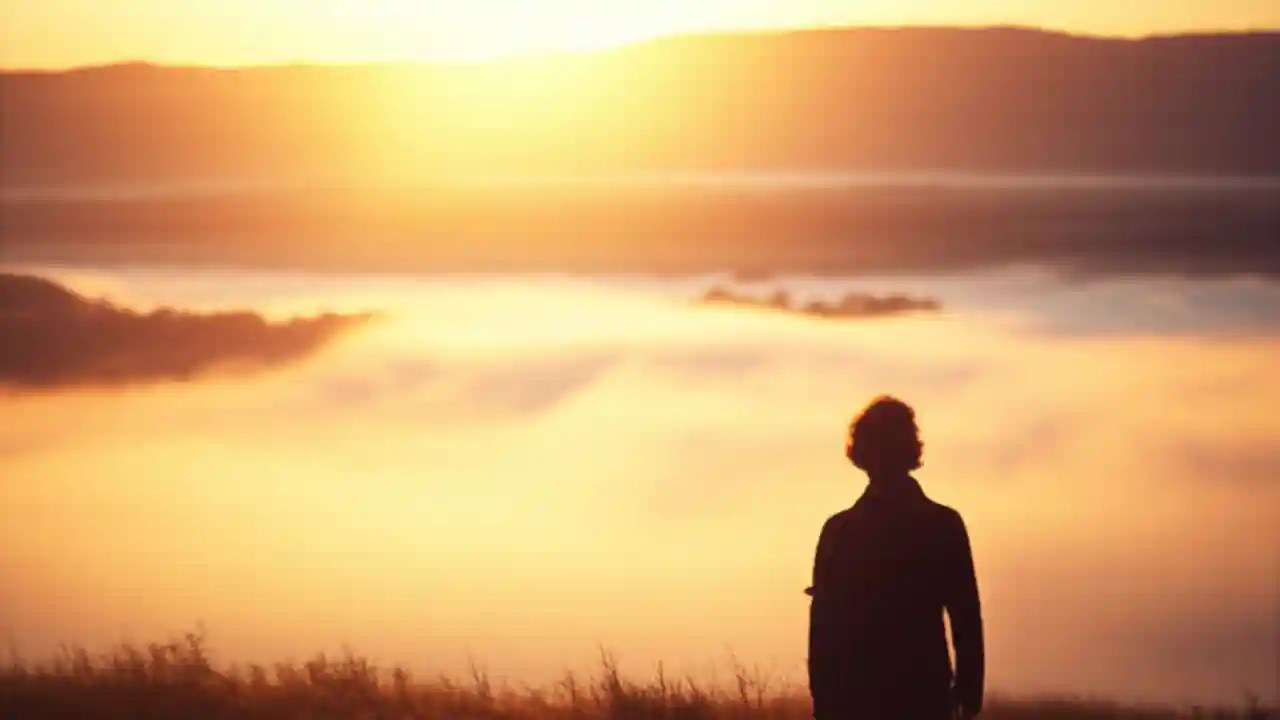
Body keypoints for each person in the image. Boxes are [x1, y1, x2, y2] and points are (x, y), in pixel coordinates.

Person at [808, 396, 984, 719]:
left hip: (908, 697)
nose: (882, 456)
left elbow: (966, 617)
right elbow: (823, 630)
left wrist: (968, 695)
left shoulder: (842, 531)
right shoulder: (841, 531)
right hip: (878, 699)